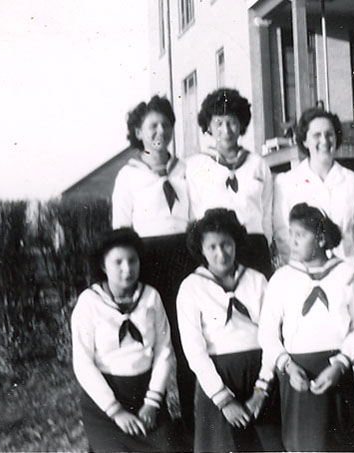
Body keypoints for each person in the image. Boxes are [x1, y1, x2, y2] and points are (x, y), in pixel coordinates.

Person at [112, 95, 196, 438]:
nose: (160, 131)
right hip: (148, 263)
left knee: (188, 343)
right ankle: (155, 425)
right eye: (152, 126)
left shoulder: (188, 169)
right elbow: (121, 232)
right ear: (139, 132)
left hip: (186, 260)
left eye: (166, 124)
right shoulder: (128, 177)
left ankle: (194, 425)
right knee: (150, 344)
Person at [176, 209, 281, 451]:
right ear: (201, 249)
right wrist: (223, 399)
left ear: (236, 243)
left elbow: (272, 336)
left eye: (226, 244)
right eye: (212, 247)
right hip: (218, 379)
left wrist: (261, 391)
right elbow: (194, 350)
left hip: (261, 373)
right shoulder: (191, 287)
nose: (220, 253)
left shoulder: (257, 280)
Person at [259, 203, 354, 451]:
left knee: (339, 442)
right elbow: (267, 333)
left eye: (300, 235)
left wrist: (341, 363)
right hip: (297, 373)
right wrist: (288, 366)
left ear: (322, 239)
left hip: (336, 370)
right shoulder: (282, 279)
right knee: (302, 443)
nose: (292, 241)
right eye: (290, 233)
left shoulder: (347, 273)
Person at [71, 228, 176, 452]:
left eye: (132, 260)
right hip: (105, 403)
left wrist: (152, 402)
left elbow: (164, 351)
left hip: (147, 397)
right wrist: (115, 411)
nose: (127, 269)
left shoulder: (151, 296)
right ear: (103, 265)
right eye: (118, 262)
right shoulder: (89, 302)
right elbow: (82, 363)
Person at [185, 88, 274, 277]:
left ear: (241, 124)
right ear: (208, 126)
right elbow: (193, 213)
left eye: (232, 122)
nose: (226, 130)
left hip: (254, 248)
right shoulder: (195, 166)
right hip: (216, 251)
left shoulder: (257, 164)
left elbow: (267, 214)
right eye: (219, 123)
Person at [273, 108, 354, 268]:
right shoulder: (286, 182)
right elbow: (283, 235)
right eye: (317, 135)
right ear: (305, 141)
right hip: (303, 274)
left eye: (329, 134)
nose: (324, 140)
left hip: (346, 273)